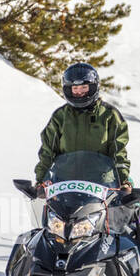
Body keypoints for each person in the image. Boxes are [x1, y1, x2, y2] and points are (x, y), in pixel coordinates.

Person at [34, 62, 133, 192]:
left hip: (103, 185)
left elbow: (118, 151)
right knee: (48, 210)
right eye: (75, 89)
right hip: (65, 185)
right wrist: (41, 180)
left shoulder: (110, 115)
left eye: (84, 87)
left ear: (93, 87)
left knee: (128, 205)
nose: (79, 92)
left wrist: (123, 180)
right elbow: (48, 151)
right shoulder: (60, 117)